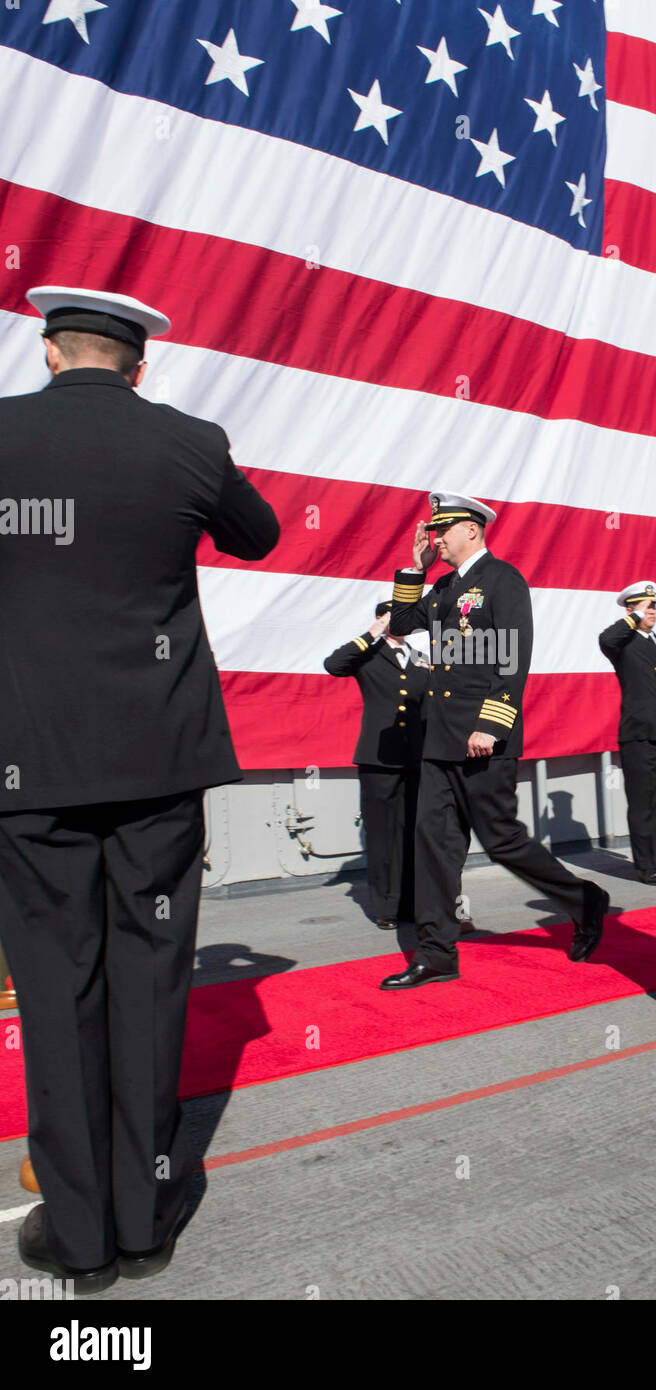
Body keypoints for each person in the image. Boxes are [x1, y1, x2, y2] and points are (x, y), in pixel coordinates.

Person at [0, 286, 279, 1293]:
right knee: (152, 978)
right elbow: (260, 537)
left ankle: (80, 1231)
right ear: (138, 364)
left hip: (27, 759)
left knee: (55, 981)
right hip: (158, 758)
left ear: (47, 350)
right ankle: (149, 1211)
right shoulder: (189, 441)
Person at [380, 492, 609, 989]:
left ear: (472, 529)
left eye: (443, 531)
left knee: (502, 839)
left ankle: (583, 900)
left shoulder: (501, 580)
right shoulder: (442, 588)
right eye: (433, 531)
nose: (435, 539)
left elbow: (512, 656)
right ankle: (436, 952)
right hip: (440, 740)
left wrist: (492, 723)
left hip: (482, 736)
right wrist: (413, 569)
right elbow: (399, 626)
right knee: (435, 847)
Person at [324, 601, 429, 929]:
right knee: (383, 835)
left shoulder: (421, 658)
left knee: (414, 831)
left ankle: (412, 905)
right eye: (392, 617)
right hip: (378, 759)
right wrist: (374, 632)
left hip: (415, 758)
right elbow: (334, 664)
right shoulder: (367, 655)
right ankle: (386, 908)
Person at [599, 581, 656, 885]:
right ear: (630, 609)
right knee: (644, 801)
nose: (651, 611)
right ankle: (648, 865)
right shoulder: (623, 642)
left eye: (654, 606)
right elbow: (607, 637)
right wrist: (633, 618)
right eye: (645, 606)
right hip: (640, 733)